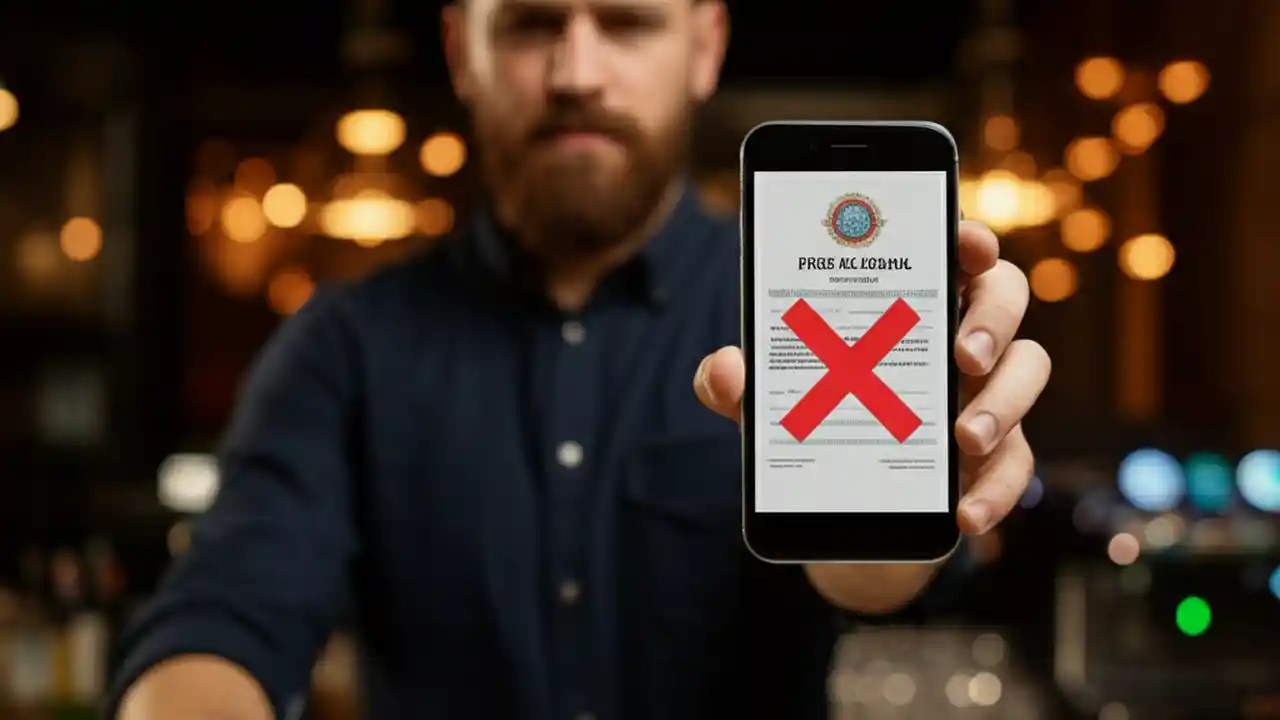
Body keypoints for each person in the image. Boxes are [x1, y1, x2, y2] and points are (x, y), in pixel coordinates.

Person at [109, 1, 1051, 718]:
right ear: (460, 50)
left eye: (627, 23)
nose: (576, 71)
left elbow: (873, 581)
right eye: (530, 26)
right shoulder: (341, 345)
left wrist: (923, 467)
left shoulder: (801, 313)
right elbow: (224, 616)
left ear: (706, 46)